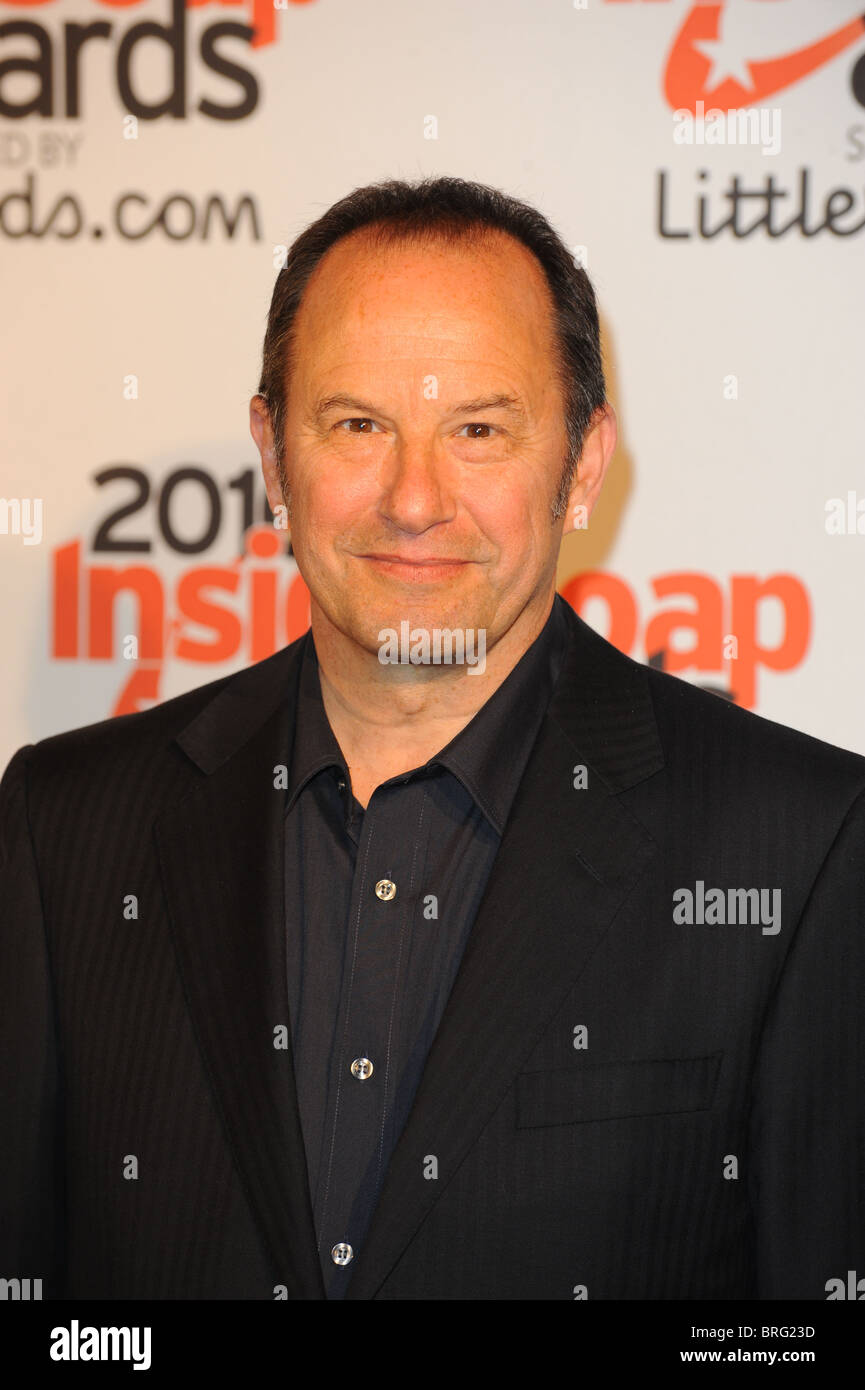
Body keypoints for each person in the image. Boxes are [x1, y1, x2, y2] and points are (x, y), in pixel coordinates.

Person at [1, 176, 862, 1301]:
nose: (414, 499)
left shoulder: (794, 846)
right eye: (359, 424)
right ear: (271, 450)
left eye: (479, 429)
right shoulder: (62, 828)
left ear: (583, 462)